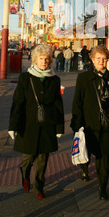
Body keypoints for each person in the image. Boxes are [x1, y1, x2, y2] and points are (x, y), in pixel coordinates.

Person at [71, 45, 109, 200]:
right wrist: (77, 122)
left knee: (104, 155)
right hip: (88, 123)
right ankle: (84, 168)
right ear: (92, 59)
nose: (101, 61)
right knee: (87, 150)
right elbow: (77, 102)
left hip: (106, 123)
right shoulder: (84, 78)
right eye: (98, 58)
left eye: (104, 59)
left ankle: (102, 186)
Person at [8, 44, 64, 199]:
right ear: (35, 60)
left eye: (47, 59)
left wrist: (59, 128)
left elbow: (58, 105)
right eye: (41, 58)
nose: (44, 61)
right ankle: (25, 174)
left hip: (47, 124)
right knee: (28, 157)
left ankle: (39, 187)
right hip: (28, 124)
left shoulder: (54, 80)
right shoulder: (25, 78)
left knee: (43, 158)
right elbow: (18, 102)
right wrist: (13, 126)